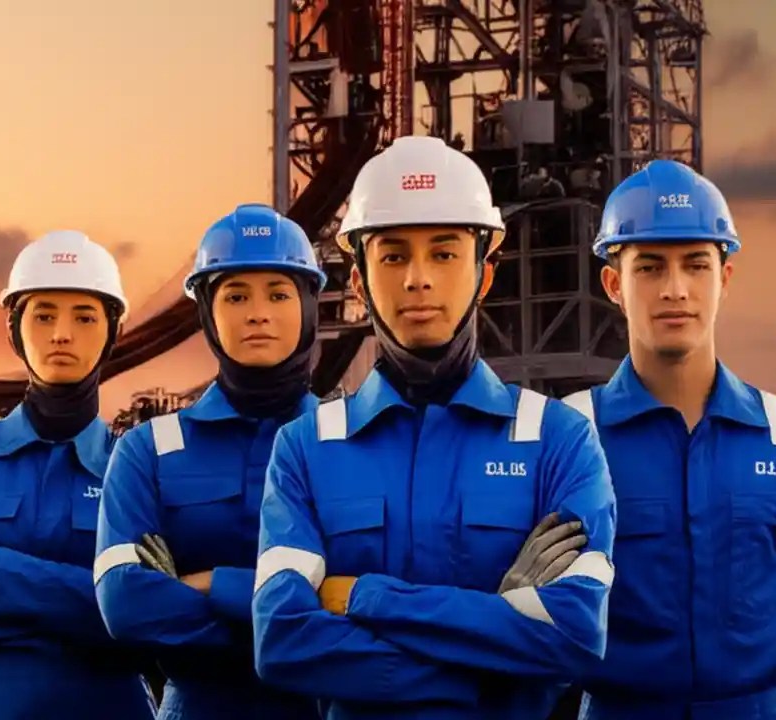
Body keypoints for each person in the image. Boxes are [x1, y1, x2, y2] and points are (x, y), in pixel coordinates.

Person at [251, 135, 617, 720]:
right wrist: (496, 631)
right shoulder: (305, 448)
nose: (418, 279)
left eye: (444, 253)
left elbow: (574, 635)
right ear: (359, 277)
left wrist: (366, 596)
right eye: (393, 255)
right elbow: (283, 641)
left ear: (484, 273)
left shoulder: (559, 440)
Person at [563, 160, 776, 720]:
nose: (676, 289)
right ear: (612, 284)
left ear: (725, 279)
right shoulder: (568, 438)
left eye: (696, 265)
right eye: (649, 267)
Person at [0, 230, 155, 719]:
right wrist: (86, 600)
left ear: (113, 331)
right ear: (14, 329)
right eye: (43, 315)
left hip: (110, 703)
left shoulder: (139, 464)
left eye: (84, 317)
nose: (61, 333)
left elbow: (139, 612)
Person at [94, 204, 325, 719]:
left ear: (310, 304)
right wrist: (298, 617)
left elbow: (373, 603)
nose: (258, 312)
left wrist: (206, 582)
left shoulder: (351, 444)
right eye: (236, 295)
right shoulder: (147, 451)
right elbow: (125, 606)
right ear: (208, 314)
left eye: (278, 293)